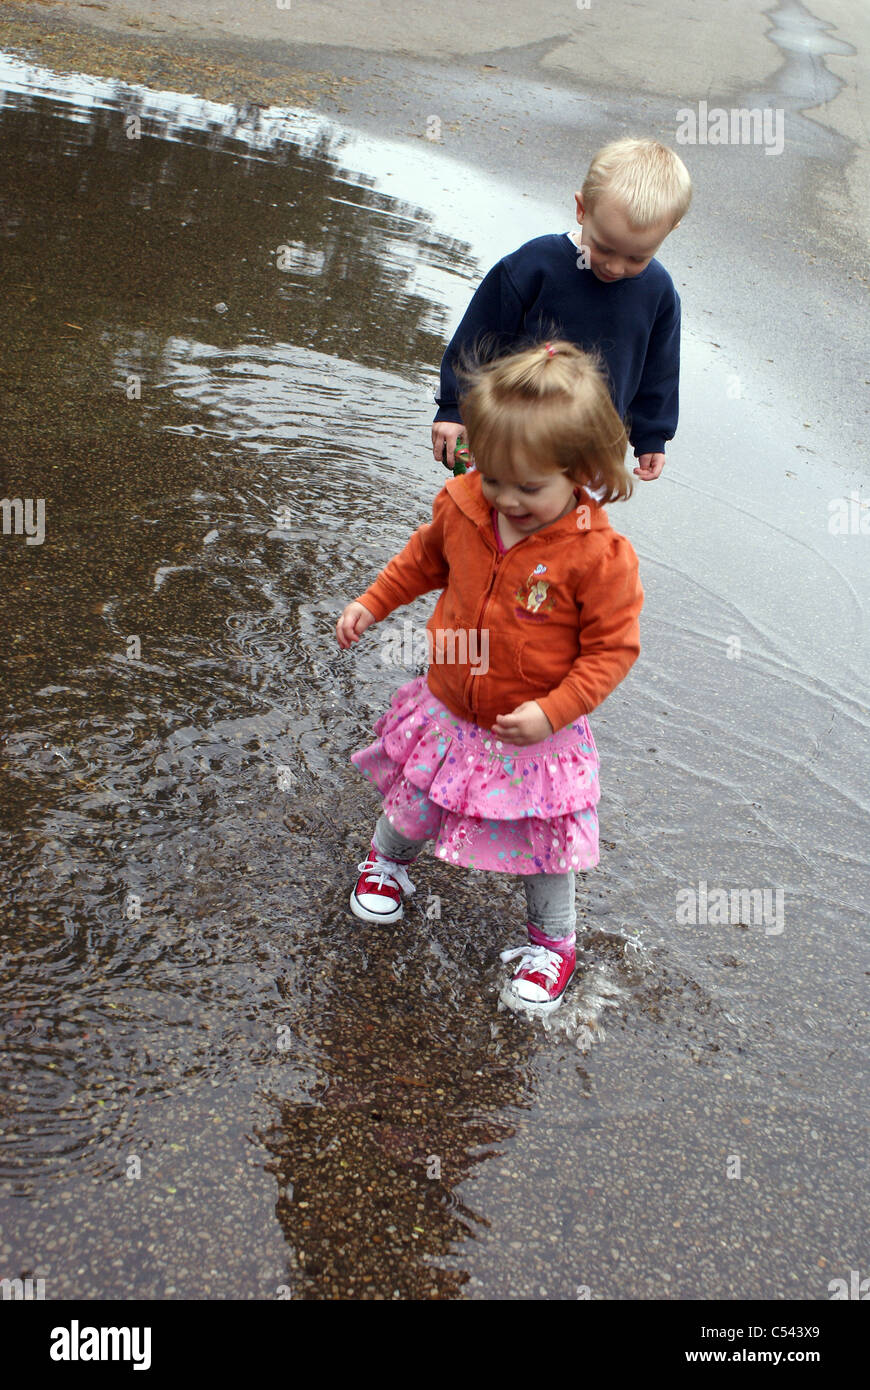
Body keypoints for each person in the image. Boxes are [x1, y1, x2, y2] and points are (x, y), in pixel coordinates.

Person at [336, 341, 643, 1013]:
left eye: (528, 487)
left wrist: (555, 710)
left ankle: (552, 943)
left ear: (582, 470)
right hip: (450, 700)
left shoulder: (598, 554)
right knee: (419, 791)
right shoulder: (467, 503)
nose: (505, 498)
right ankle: (387, 862)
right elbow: (423, 559)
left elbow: (612, 649)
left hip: (535, 726)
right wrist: (372, 602)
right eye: (492, 476)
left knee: (544, 838)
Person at [432, 137, 691, 482]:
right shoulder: (537, 266)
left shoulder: (657, 291)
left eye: (636, 257)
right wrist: (454, 406)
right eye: (605, 247)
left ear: (669, 231)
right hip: (508, 434)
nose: (615, 267)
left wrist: (652, 434)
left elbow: (659, 368)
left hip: (591, 453)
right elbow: (478, 336)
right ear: (582, 210)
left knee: (571, 534)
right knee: (485, 519)